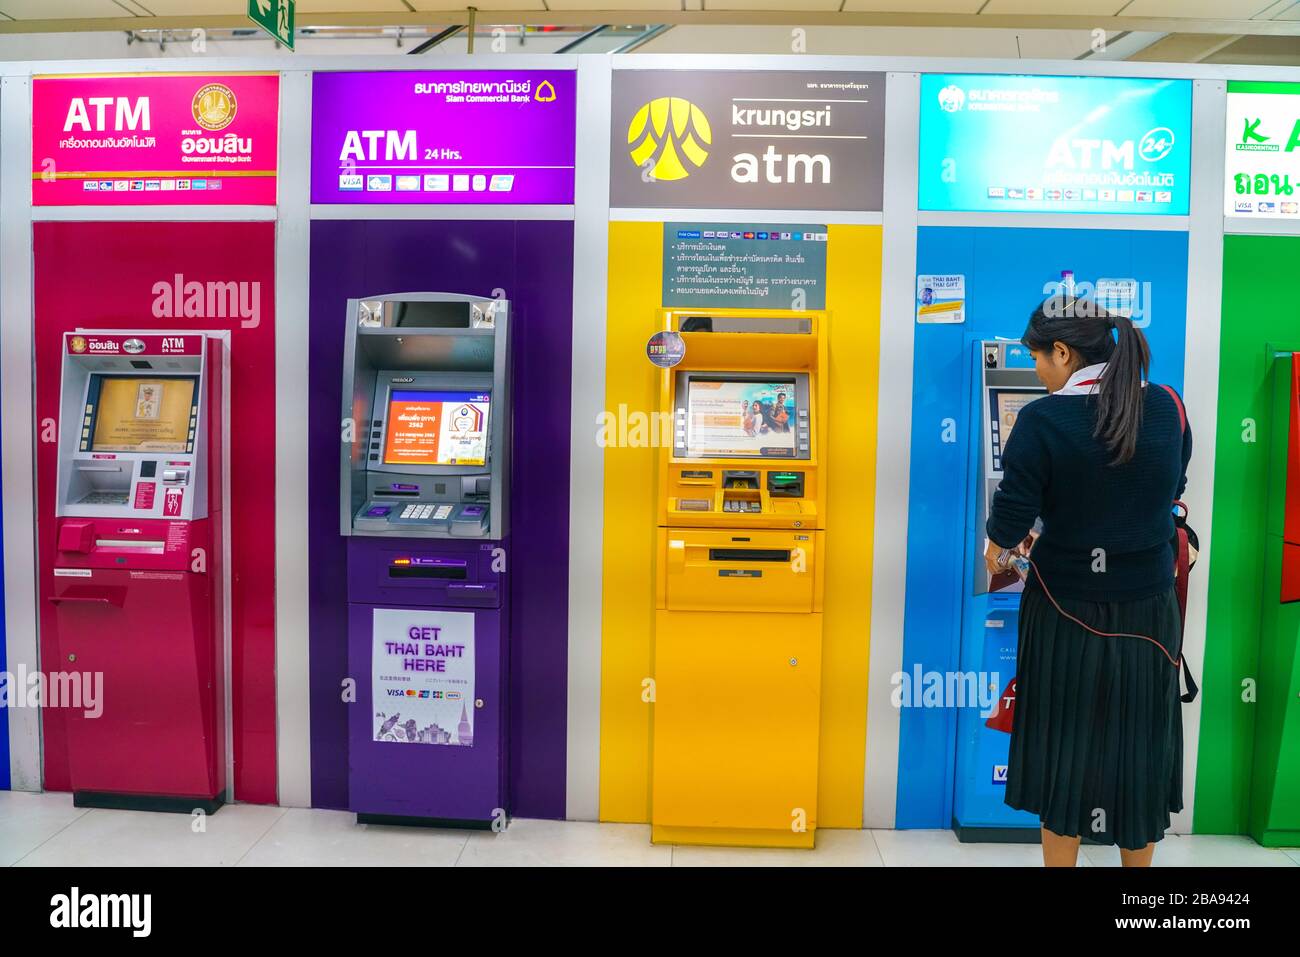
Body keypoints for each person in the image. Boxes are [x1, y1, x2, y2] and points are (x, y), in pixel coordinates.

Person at [984, 296, 1191, 868]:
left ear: (1063, 352)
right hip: (1148, 614)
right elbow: (1172, 486)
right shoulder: (1167, 405)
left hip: (1066, 609)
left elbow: (1008, 523)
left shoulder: (1043, 418)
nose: (1035, 373)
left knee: (1064, 752)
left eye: (1037, 360)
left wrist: (1000, 556)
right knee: (1138, 752)